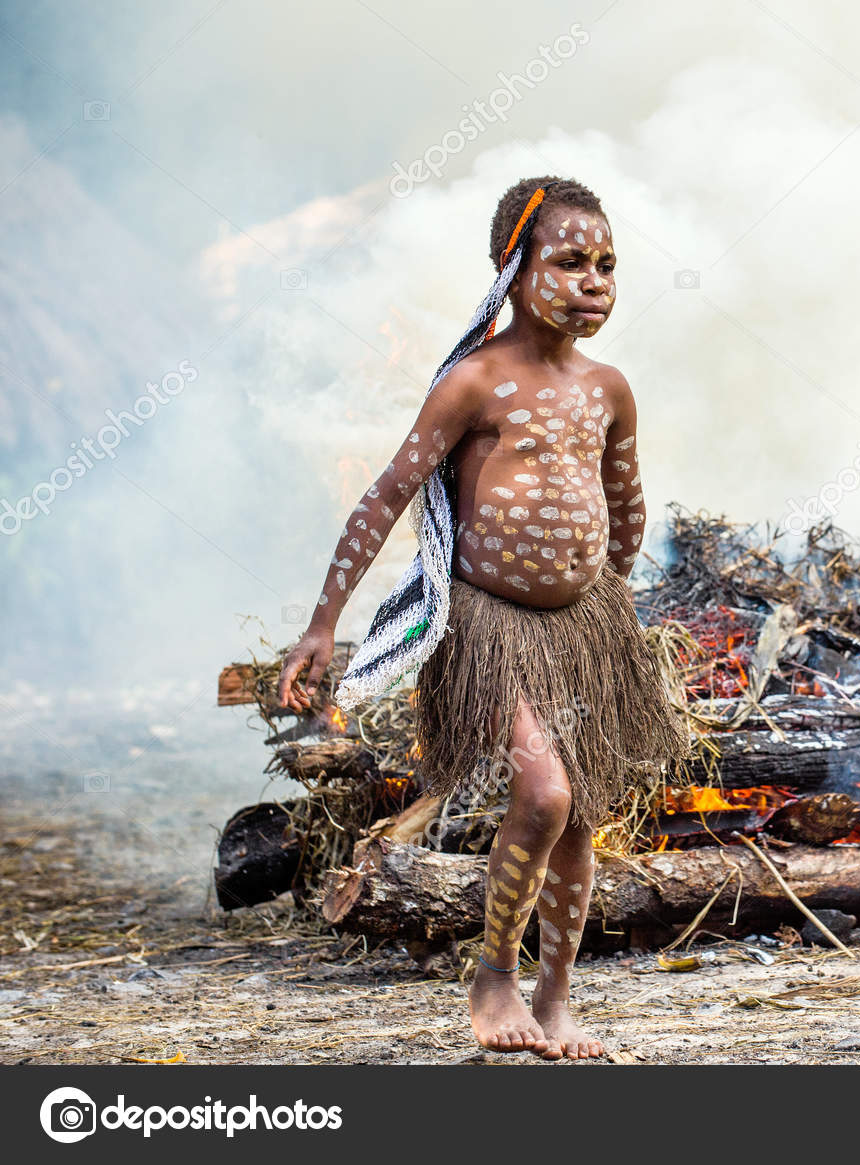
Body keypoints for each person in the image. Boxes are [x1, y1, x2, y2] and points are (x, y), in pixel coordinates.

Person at [276, 176, 690, 1057]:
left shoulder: (609, 388)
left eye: (608, 264)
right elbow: (389, 492)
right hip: (487, 625)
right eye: (570, 260)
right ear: (514, 266)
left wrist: (605, 619)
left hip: (586, 631)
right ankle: (493, 976)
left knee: (579, 816)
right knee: (543, 792)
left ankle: (558, 995)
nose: (595, 279)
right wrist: (323, 622)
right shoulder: (476, 382)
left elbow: (628, 508)